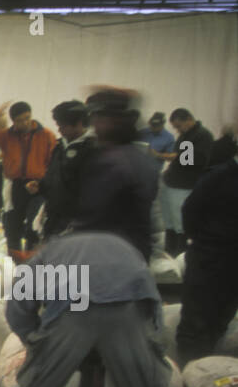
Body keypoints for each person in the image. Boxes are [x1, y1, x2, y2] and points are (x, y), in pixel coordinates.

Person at [0, 231, 170, 387]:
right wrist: (151, 352)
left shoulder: (47, 253)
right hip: (128, 311)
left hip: (74, 312)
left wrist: (34, 342)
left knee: (34, 383)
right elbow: (153, 304)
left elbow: (17, 307)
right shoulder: (123, 244)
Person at [70, 88, 159, 261]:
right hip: (135, 255)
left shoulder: (111, 162)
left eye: (98, 119)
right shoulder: (140, 158)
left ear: (113, 121)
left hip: (108, 258)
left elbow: (91, 220)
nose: (94, 126)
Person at [177, 149, 238, 365]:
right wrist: (205, 241)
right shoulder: (217, 177)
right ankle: (189, 379)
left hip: (231, 263)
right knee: (196, 322)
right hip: (208, 259)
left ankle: (207, 371)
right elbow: (190, 210)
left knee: (220, 320)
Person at [0, 100, 57, 256]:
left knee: (33, 226)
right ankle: (16, 261)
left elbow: (54, 161)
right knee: (12, 225)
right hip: (15, 185)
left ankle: (32, 263)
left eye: (27, 118)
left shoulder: (46, 135)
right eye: (19, 120)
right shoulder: (7, 136)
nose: (24, 123)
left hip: (38, 186)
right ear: (13, 121)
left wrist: (46, 183)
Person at [36, 101, 97, 240]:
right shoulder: (59, 146)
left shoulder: (92, 150)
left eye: (63, 125)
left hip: (74, 222)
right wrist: (41, 186)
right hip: (53, 216)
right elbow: (53, 176)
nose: (59, 130)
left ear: (79, 123)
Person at [159, 108, 214, 257]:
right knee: (169, 220)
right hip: (171, 182)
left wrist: (168, 156)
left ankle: (179, 252)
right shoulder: (185, 135)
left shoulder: (201, 135)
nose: (177, 130)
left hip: (184, 185)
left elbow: (187, 161)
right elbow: (181, 157)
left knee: (180, 221)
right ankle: (170, 249)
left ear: (189, 119)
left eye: (179, 126)